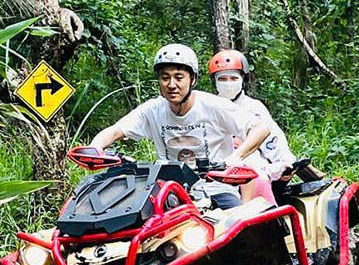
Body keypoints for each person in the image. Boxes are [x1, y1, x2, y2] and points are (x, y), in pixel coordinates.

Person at [89, 43, 270, 206]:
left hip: (216, 190)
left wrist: (234, 158)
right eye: (165, 78)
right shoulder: (152, 110)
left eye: (179, 77)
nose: (171, 85)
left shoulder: (214, 105)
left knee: (239, 226)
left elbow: (261, 128)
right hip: (168, 192)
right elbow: (115, 131)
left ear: (193, 79)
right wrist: (94, 149)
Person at [208, 49, 297, 199]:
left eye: (233, 78)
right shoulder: (208, 107)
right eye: (222, 79)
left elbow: (273, 141)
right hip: (218, 172)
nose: (228, 84)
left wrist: (285, 163)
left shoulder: (254, 108)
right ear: (215, 82)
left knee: (259, 180)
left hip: (253, 169)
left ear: (243, 79)